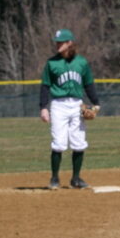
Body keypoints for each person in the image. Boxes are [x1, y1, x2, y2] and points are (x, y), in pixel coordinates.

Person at [40, 28, 101, 190]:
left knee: (79, 142)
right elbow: (45, 86)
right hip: (58, 105)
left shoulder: (81, 62)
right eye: (57, 42)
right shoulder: (51, 63)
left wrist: (96, 103)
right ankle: (54, 178)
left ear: (70, 43)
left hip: (76, 104)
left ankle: (76, 179)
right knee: (58, 143)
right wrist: (43, 108)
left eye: (61, 42)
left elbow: (88, 84)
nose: (57, 44)